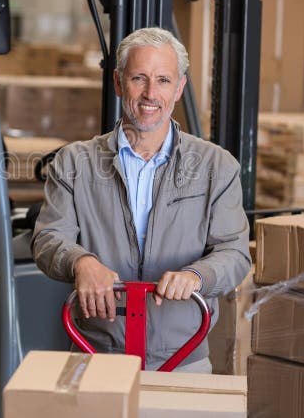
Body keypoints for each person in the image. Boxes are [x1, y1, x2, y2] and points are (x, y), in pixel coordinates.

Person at [32, 27, 251, 372]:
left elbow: (235, 253)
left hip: (183, 358)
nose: (151, 93)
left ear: (179, 88)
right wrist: (81, 262)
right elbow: (47, 238)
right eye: (139, 78)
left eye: (163, 80)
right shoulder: (74, 162)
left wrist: (197, 276)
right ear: (119, 83)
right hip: (96, 352)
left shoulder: (216, 166)